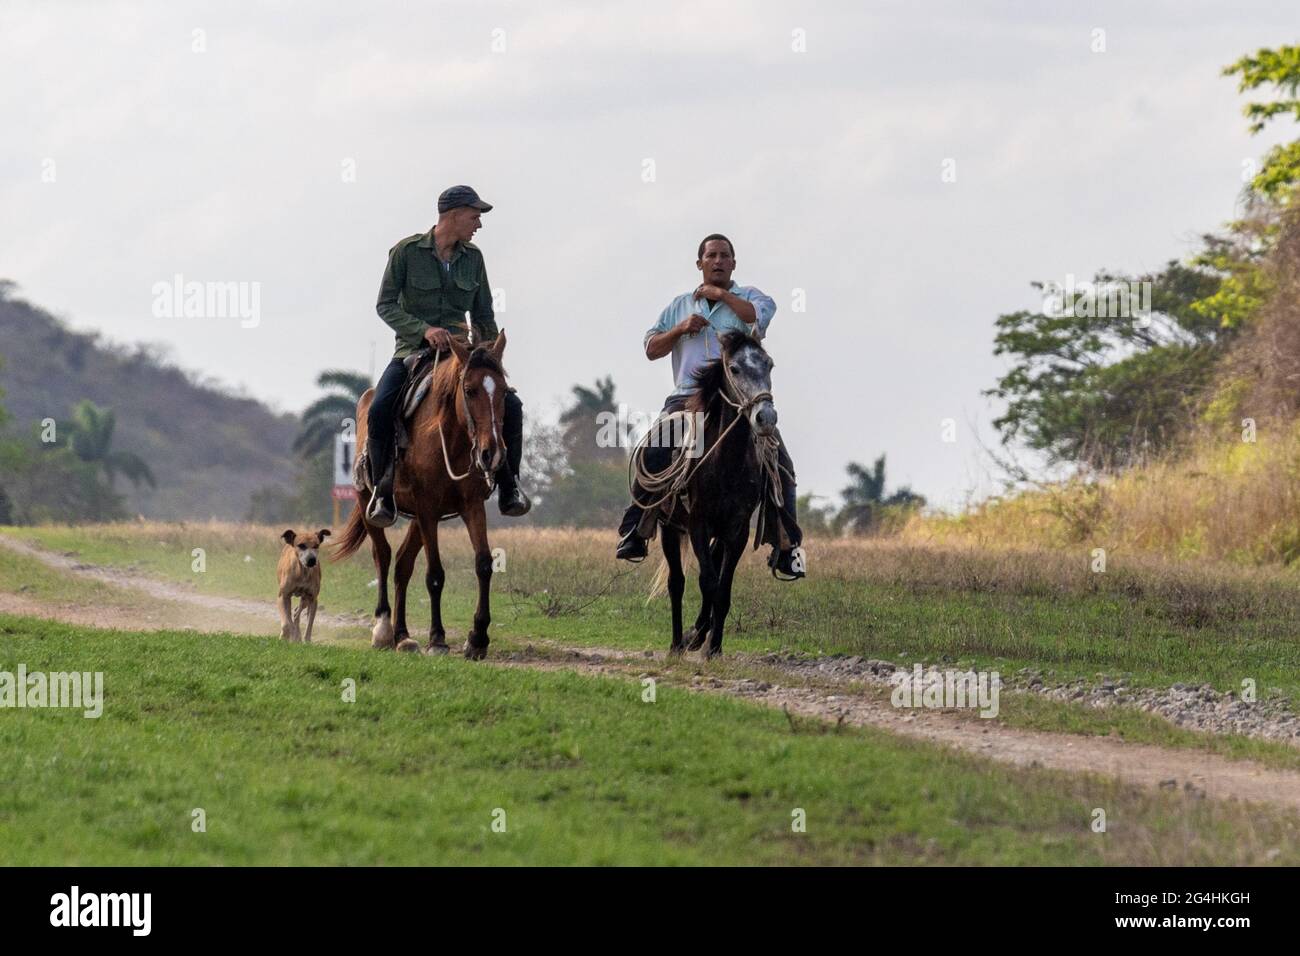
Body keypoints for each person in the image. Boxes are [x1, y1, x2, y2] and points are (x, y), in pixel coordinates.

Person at [615, 234, 804, 579]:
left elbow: (755, 318)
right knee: (653, 449)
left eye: (724, 256)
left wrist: (720, 296)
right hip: (686, 398)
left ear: (734, 263)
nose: (717, 261)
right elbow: (651, 348)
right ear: (699, 263)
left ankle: (788, 547)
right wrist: (680, 329)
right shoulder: (678, 306)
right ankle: (636, 528)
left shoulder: (750, 298)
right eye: (711, 255)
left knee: (782, 464)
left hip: (738, 398)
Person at [366, 185, 530, 527]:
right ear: (453, 216)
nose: (478, 225)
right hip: (413, 351)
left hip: (464, 355)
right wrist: (423, 330)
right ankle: (383, 489)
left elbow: (483, 314)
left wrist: (488, 355)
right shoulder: (406, 252)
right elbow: (385, 305)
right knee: (380, 407)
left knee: (511, 406)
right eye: (475, 217)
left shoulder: (474, 258)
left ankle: (509, 484)